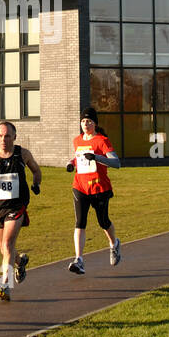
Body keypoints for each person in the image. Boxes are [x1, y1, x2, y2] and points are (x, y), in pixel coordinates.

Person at [0, 121, 42, 300]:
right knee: (4, 249)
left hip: (16, 206)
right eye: (0, 136)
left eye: (7, 136)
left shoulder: (23, 154)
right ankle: (20, 262)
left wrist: (36, 184)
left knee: (7, 245)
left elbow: (36, 170)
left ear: (14, 137)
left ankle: (5, 285)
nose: (3, 139)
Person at [65, 106, 121, 274]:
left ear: (95, 123)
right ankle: (79, 260)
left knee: (103, 221)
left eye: (89, 121)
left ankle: (114, 244)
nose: (85, 124)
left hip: (99, 187)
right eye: (83, 121)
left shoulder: (102, 140)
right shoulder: (77, 140)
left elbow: (116, 163)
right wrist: (71, 163)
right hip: (80, 186)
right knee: (80, 222)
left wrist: (96, 157)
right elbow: (78, 157)